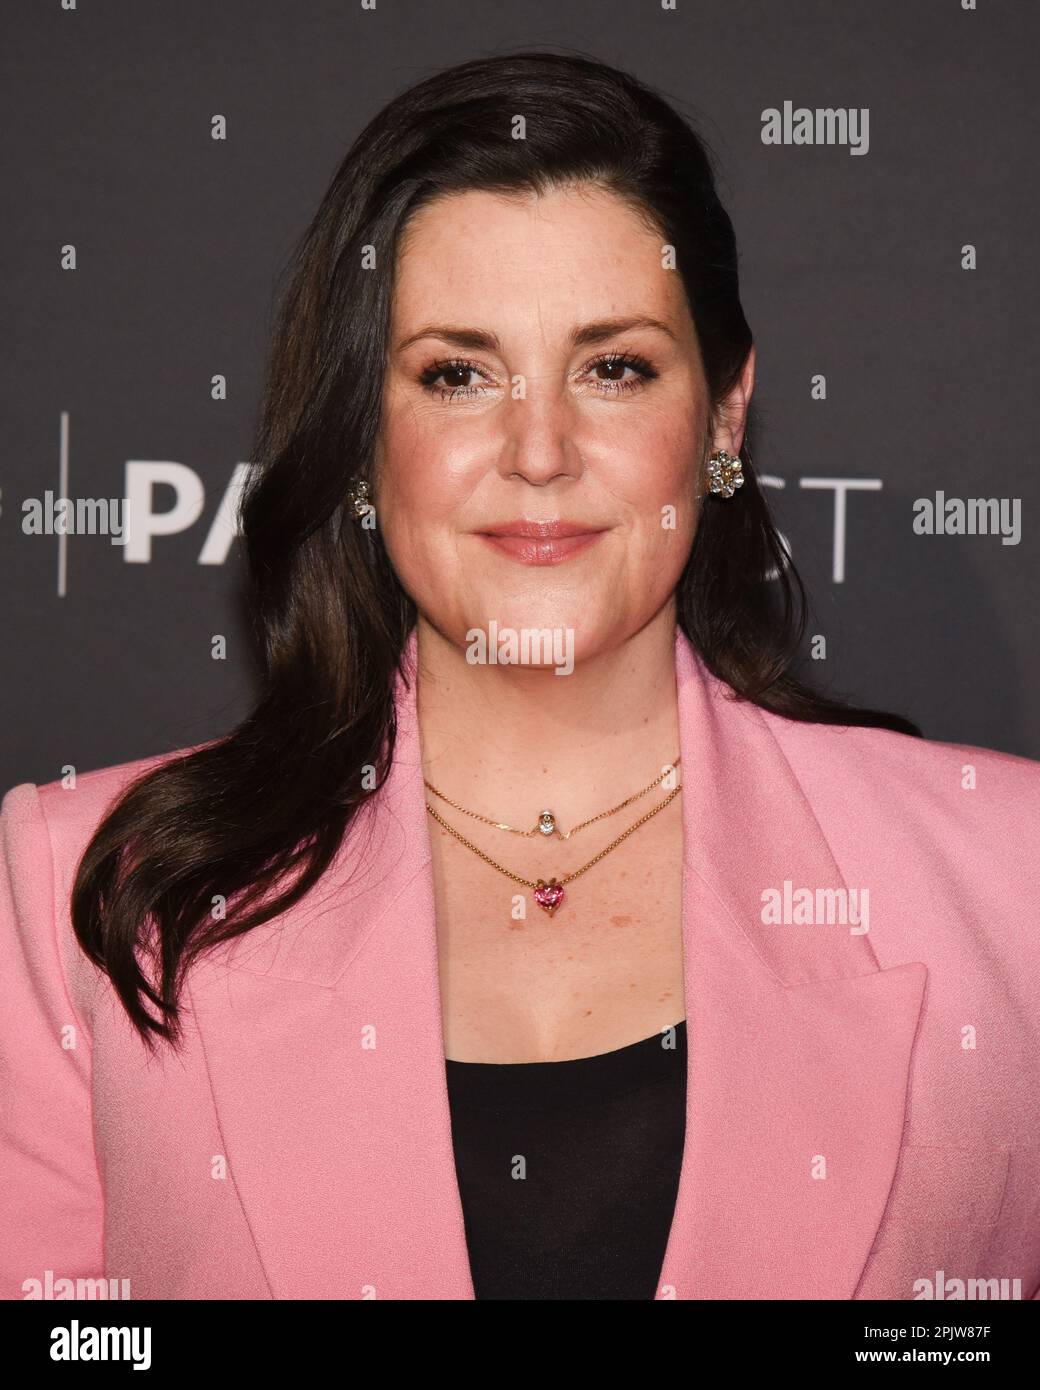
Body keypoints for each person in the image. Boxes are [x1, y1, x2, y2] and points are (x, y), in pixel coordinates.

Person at [2, 51, 1038, 1303]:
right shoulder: (80, 882)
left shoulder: (1006, 875)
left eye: (613, 367)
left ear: (720, 416)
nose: (537, 449)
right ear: (361, 436)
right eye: (456, 373)